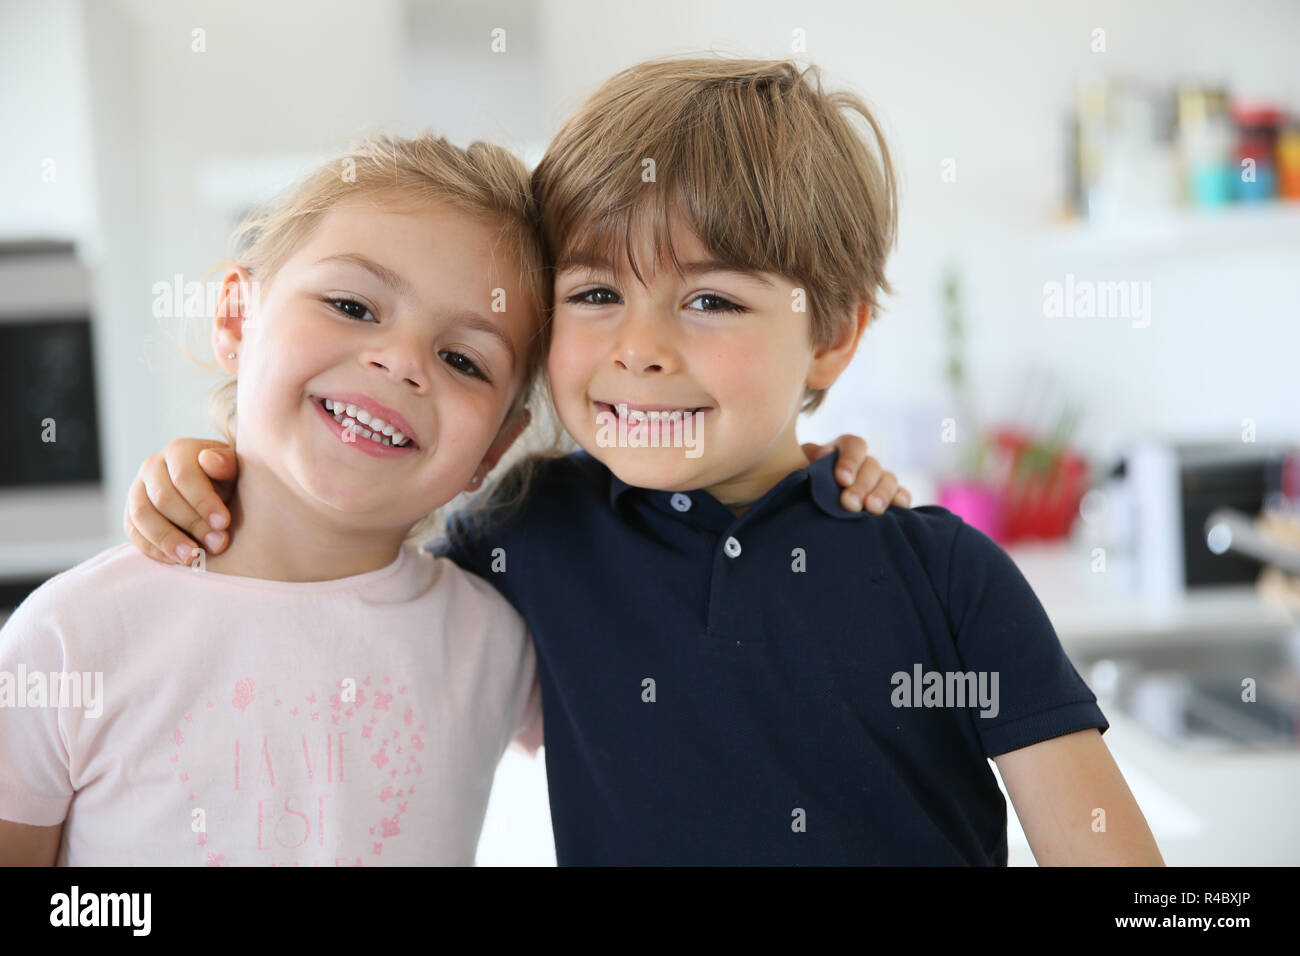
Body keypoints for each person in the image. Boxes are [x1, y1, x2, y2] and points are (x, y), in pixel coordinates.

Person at [127, 56, 1152, 866]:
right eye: (593, 293)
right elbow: (338, 558)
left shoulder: (946, 576)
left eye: (710, 300)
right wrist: (217, 473)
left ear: (833, 335)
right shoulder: (526, 531)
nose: (640, 347)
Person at [0, 132, 551, 865]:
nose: (400, 361)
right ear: (236, 317)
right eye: (354, 305)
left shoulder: (498, 641)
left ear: (494, 447)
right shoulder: (72, 637)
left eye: (462, 360)